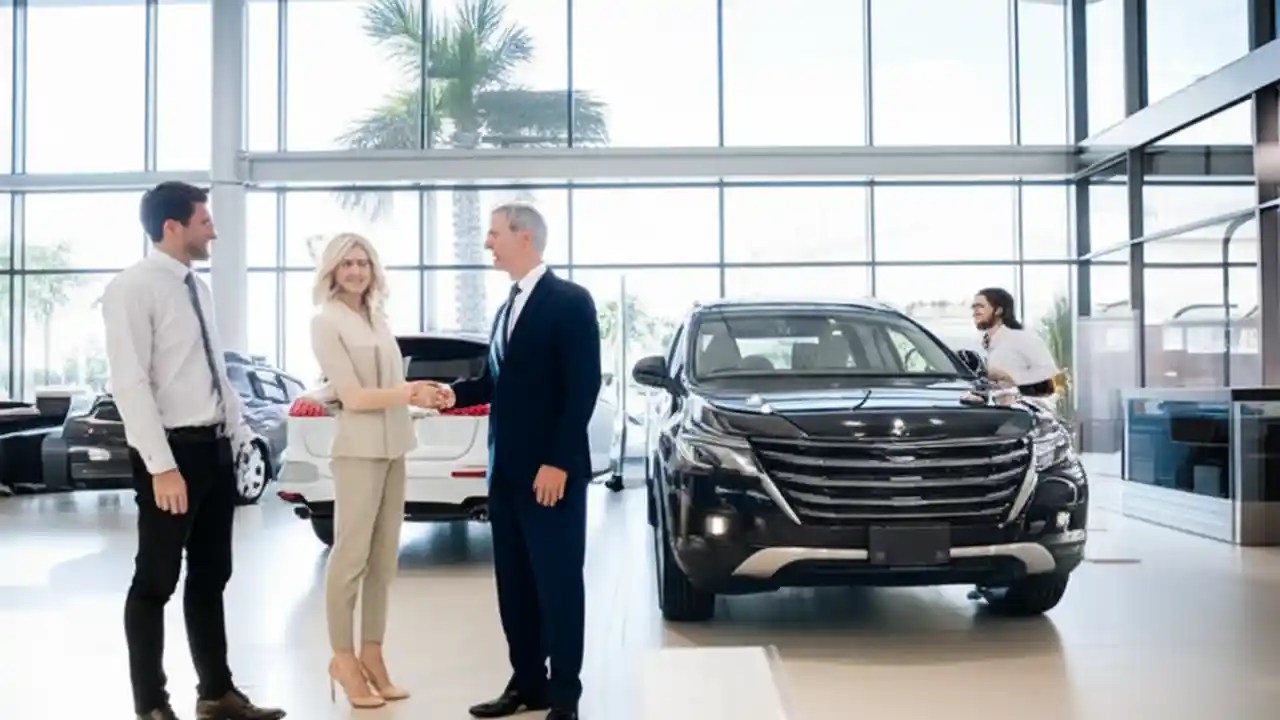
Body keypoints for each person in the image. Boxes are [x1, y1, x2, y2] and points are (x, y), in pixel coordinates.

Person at [102, 181, 286, 720]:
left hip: (214, 449)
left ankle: (216, 693)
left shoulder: (196, 287)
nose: (214, 231)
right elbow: (131, 383)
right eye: (205, 221)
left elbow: (214, 369)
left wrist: (240, 431)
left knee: (212, 575)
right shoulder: (133, 288)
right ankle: (152, 705)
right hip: (171, 454)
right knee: (156, 580)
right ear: (172, 227)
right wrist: (160, 467)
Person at [308, 232, 455, 708]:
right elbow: (352, 397)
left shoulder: (376, 318)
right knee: (349, 559)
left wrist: (428, 394)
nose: (355, 271)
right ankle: (342, 658)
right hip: (358, 450)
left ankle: (373, 654)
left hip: (395, 447)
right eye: (347, 263)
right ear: (332, 270)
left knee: (383, 561)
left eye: (363, 263)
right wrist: (408, 392)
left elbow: (390, 387)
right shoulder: (326, 322)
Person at [468, 203, 601, 720]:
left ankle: (564, 697)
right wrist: (439, 393)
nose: (488, 243)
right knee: (515, 588)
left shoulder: (569, 301)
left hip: (551, 476)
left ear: (524, 237)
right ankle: (528, 683)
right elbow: (491, 383)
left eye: (495, 233)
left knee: (559, 586)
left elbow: (582, 386)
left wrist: (559, 461)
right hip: (505, 476)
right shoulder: (506, 308)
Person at [971, 287, 1061, 397]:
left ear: (999, 310)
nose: (975, 311)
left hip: (1019, 406)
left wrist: (1011, 378)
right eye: (974, 307)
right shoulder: (981, 343)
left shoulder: (1021, 337)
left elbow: (1049, 371)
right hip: (991, 405)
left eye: (980, 306)